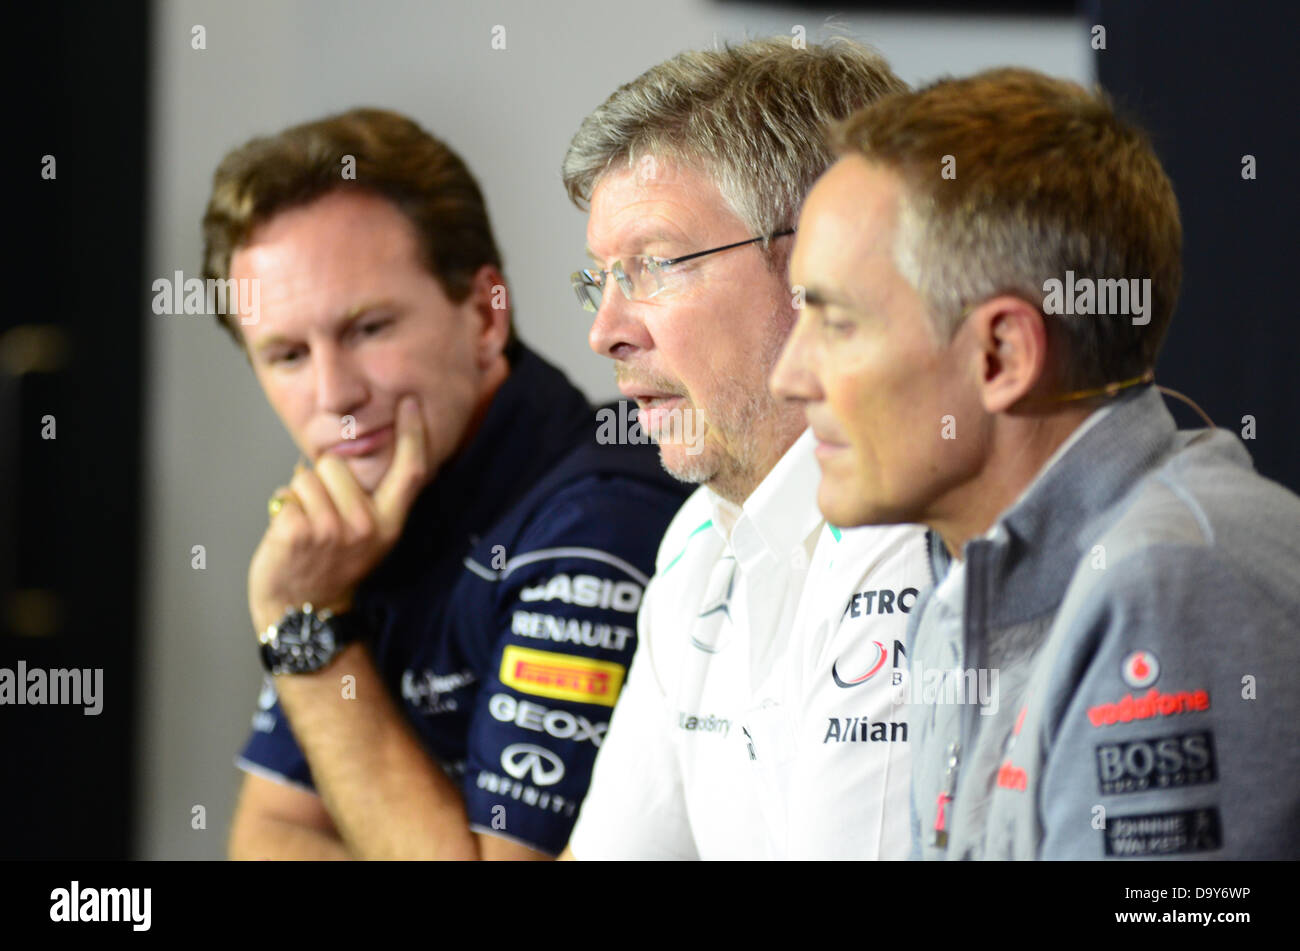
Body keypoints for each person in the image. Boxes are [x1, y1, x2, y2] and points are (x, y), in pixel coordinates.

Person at [771, 68, 1300, 859]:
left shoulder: (1168, 581)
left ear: (1003, 353)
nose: (790, 376)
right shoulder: (965, 574)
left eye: (838, 323)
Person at [202, 107, 688, 859]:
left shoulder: (600, 517)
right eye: (288, 354)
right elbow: (274, 833)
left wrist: (306, 627)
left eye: (369, 328)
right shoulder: (354, 519)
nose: (334, 395)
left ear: (484, 315)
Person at [559, 39, 930, 860]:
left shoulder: (920, 535)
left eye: (652, 266)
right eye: (600, 278)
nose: (605, 331)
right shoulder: (699, 536)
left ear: (820, 266)